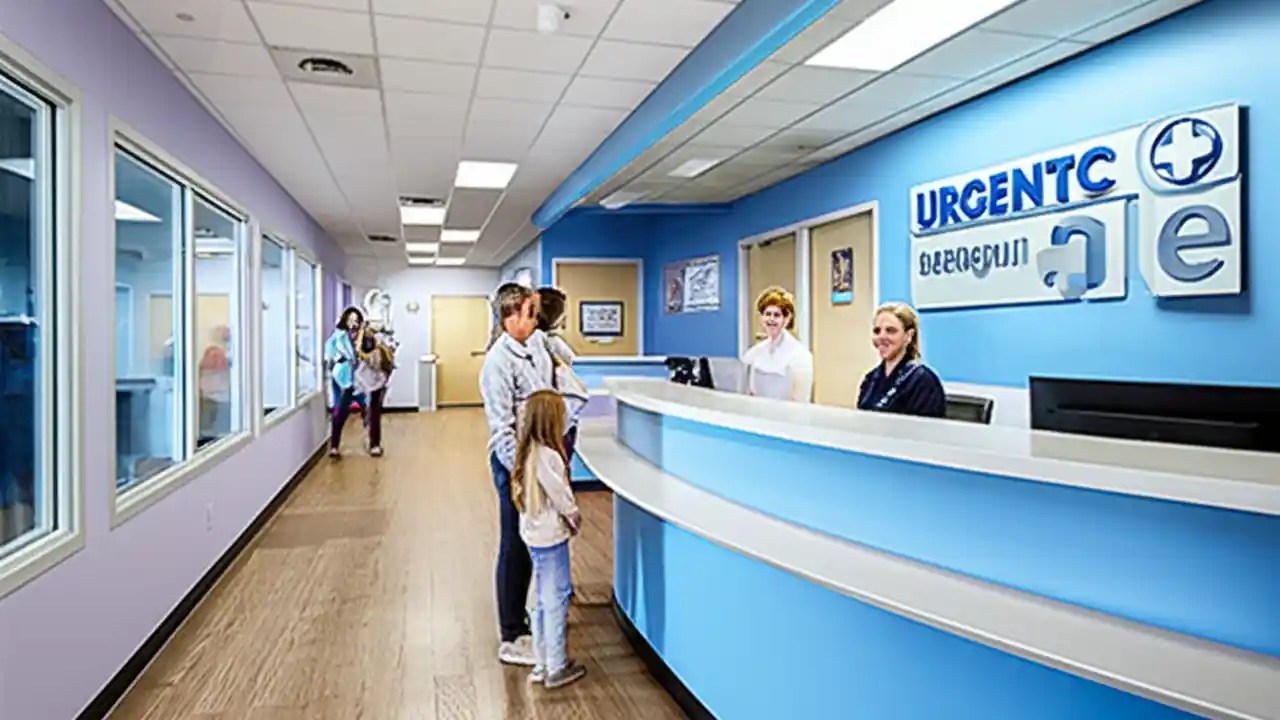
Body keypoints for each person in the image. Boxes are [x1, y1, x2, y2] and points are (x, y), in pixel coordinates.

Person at [480, 282, 554, 666]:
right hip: (512, 462)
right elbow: (502, 429)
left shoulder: (537, 342)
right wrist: (522, 475)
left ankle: (529, 618)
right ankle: (511, 634)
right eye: (530, 311)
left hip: (538, 455)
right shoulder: (497, 362)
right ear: (511, 316)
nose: (536, 317)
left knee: (533, 540)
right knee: (514, 541)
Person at [513, 389, 587, 690]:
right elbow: (561, 497)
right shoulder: (549, 456)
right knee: (556, 597)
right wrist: (575, 517)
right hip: (551, 536)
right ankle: (556, 665)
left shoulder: (528, 452)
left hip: (533, 534)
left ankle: (542, 662)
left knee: (541, 599)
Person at [857, 301, 946, 417]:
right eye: (877, 331)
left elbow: (927, 431)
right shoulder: (870, 379)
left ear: (908, 336)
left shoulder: (923, 381)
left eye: (891, 331)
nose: (882, 336)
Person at [741, 287, 813, 402]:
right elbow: (747, 392)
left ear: (786, 319)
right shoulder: (753, 353)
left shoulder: (800, 356)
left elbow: (801, 401)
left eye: (777, 315)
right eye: (767, 314)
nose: (771, 319)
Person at [324, 306, 366, 458]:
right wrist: (337, 359)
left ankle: (373, 442)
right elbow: (329, 348)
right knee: (341, 410)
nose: (353, 323)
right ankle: (334, 446)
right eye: (351, 320)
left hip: (359, 377)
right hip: (342, 376)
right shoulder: (339, 335)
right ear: (345, 321)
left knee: (367, 407)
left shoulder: (362, 336)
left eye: (356, 320)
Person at [352, 322, 396, 457]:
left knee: (374, 411)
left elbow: (376, 361)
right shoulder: (377, 345)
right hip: (373, 382)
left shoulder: (378, 348)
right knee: (374, 411)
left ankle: (374, 443)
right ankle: (374, 443)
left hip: (374, 382)